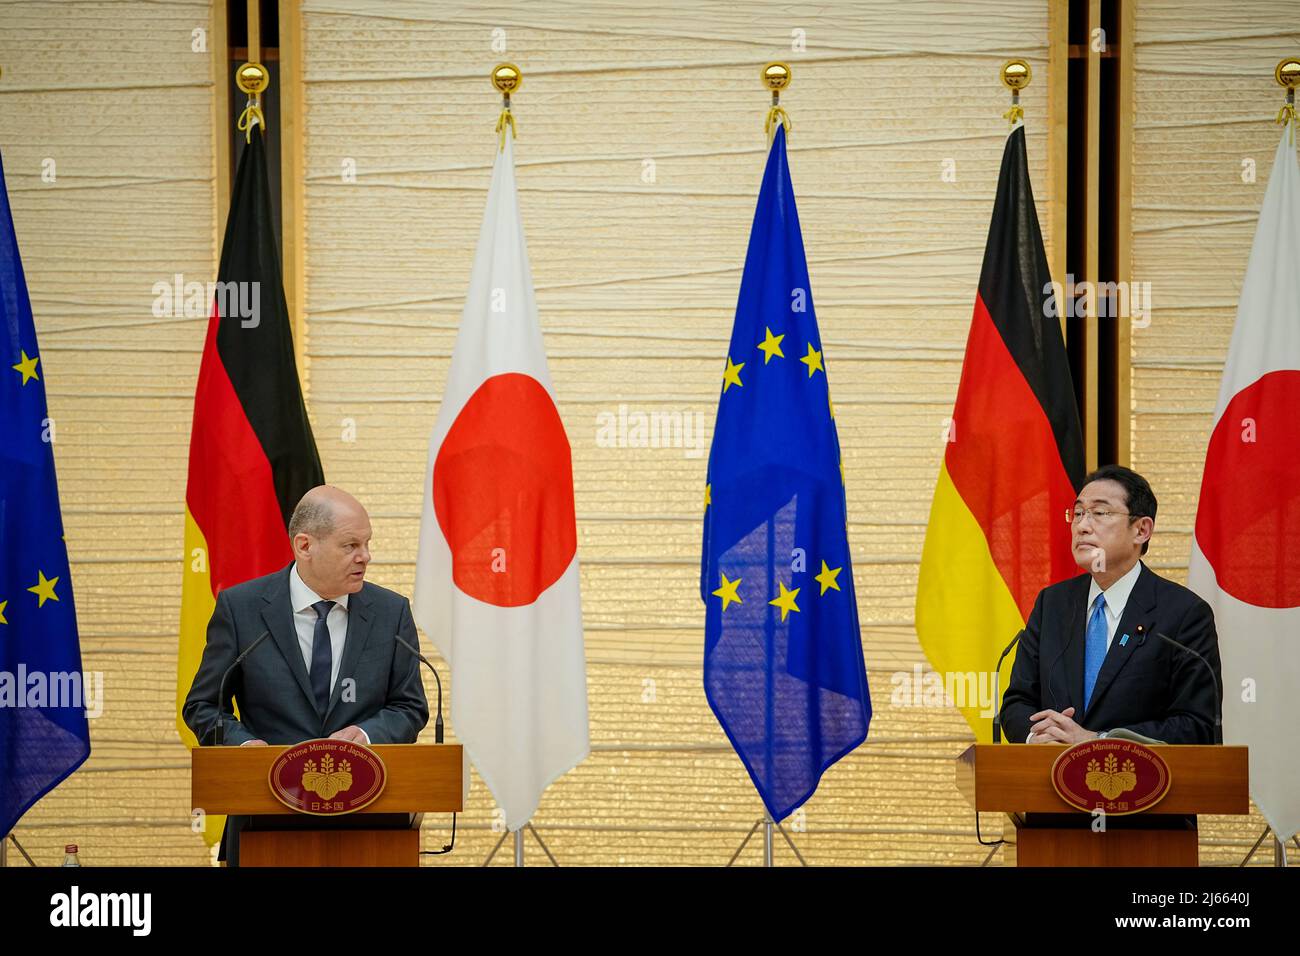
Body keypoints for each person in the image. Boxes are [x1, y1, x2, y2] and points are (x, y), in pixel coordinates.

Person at [183, 485, 429, 863]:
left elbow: (409, 707)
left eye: (367, 543)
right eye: (350, 546)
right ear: (304, 546)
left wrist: (366, 734)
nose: (366, 556)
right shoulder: (242, 609)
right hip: (265, 822)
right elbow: (203, 705)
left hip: (370, 826)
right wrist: (244, 748)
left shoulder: (390, 611)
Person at [999, 465, 1222, 745]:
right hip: (1052, 778)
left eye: (1100, 513)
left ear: (1142, 530)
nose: (1082, 525)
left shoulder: (1184, 614)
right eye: (1078, 513)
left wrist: (1097, 740)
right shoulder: (1052, 604)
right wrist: (1037, 738)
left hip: (1143, 782)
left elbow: (1197, 726)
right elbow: (1018, 701)